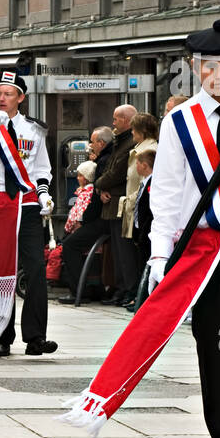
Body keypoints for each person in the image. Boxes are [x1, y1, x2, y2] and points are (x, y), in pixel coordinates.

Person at [61, 20, 220, 438]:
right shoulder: (181, 121)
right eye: (210, 67)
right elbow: (166, 192)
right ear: (195, 67)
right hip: (202, 247)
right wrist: (157, 254)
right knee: (213, 342)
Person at [0, 70, 56, 357]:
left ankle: (35, 337)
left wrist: (44, 193)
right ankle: (3, 335)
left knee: (35, 269)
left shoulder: (34, 129)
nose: (3, 98)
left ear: (21, 97)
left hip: (27, 203)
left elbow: (42, 168)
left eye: (9, 93)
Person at [95, 104, 137, 305]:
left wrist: (100, 183)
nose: (113, 123)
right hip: (112, 202)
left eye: (116, 119)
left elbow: (117, 171)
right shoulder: (119, 141)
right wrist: (101, 188)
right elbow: (108, 166)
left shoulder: (129, 143)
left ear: (126, 121)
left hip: (120, 201)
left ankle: (128, 289)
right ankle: (120, 288)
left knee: (125, 251)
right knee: (117, 252)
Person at [119, 113, 159, 309]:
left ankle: (141, 294)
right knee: (136, 254)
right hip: (133, 204)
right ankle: (137, 292)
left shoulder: (150, 150)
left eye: (134, 129)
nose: (132, 133)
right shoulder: (138, 149)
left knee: (143, 254)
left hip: (140, 204)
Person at [58, 160, 104, 301]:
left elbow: (76, 213)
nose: (77, 178)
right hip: (92, 225)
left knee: (68, 246)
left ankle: (78, 290)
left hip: (83, 226)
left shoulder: (86, 192)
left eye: (80, 175)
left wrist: (68, 227)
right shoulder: (89, 191)